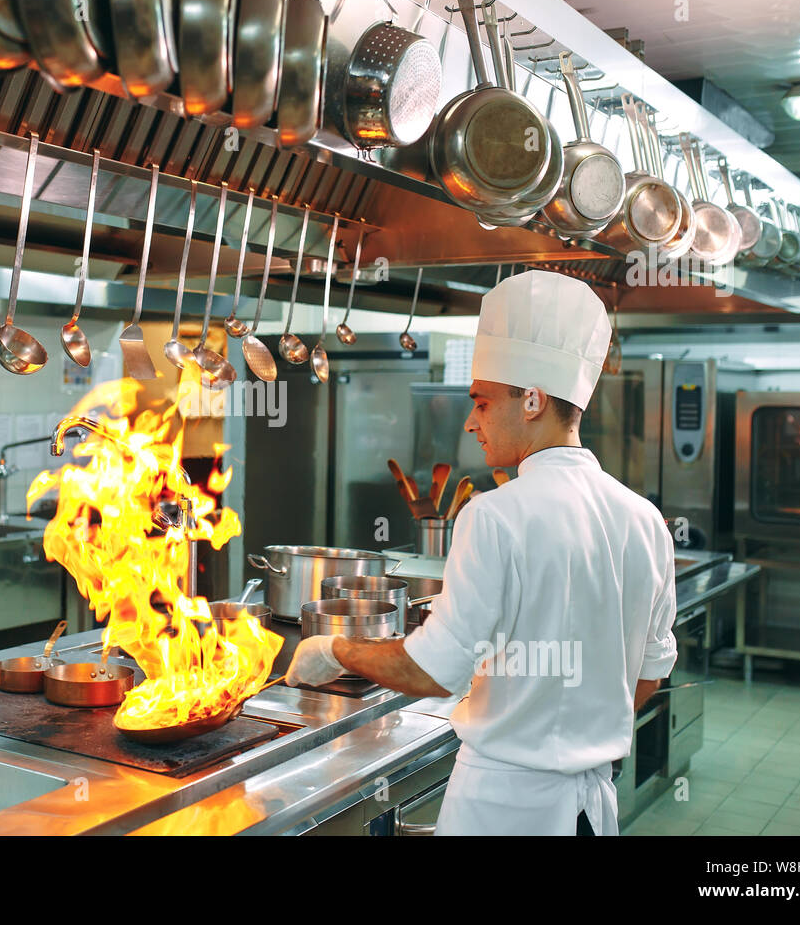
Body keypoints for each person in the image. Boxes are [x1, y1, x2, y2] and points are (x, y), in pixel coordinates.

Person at [285, 270, 678, 835]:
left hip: (501, 810)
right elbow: (650, 671)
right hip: (592, 813)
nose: (471, 422)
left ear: (534, 400)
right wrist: (578, 733)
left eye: (483, 402)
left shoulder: (494, 515)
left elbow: (434, 670)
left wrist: (335, 649)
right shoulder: (644, 520)